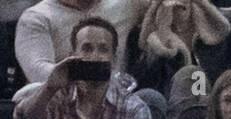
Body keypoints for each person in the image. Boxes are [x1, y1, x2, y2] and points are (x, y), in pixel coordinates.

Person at [14, 15, 153, 119]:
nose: (95, 56)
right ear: (73, 55)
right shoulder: (56, 95)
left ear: (114, 58)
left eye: (103, 49)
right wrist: (50, 87)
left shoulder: (134, 108)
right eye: (87, 48)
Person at [15, 0, 147, 83]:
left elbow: (161, 8)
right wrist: (95, 73)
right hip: (58, 107)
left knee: (151, 98)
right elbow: (38, 73)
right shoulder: (37, 17)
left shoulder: (126, 5)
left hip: (117, 103)